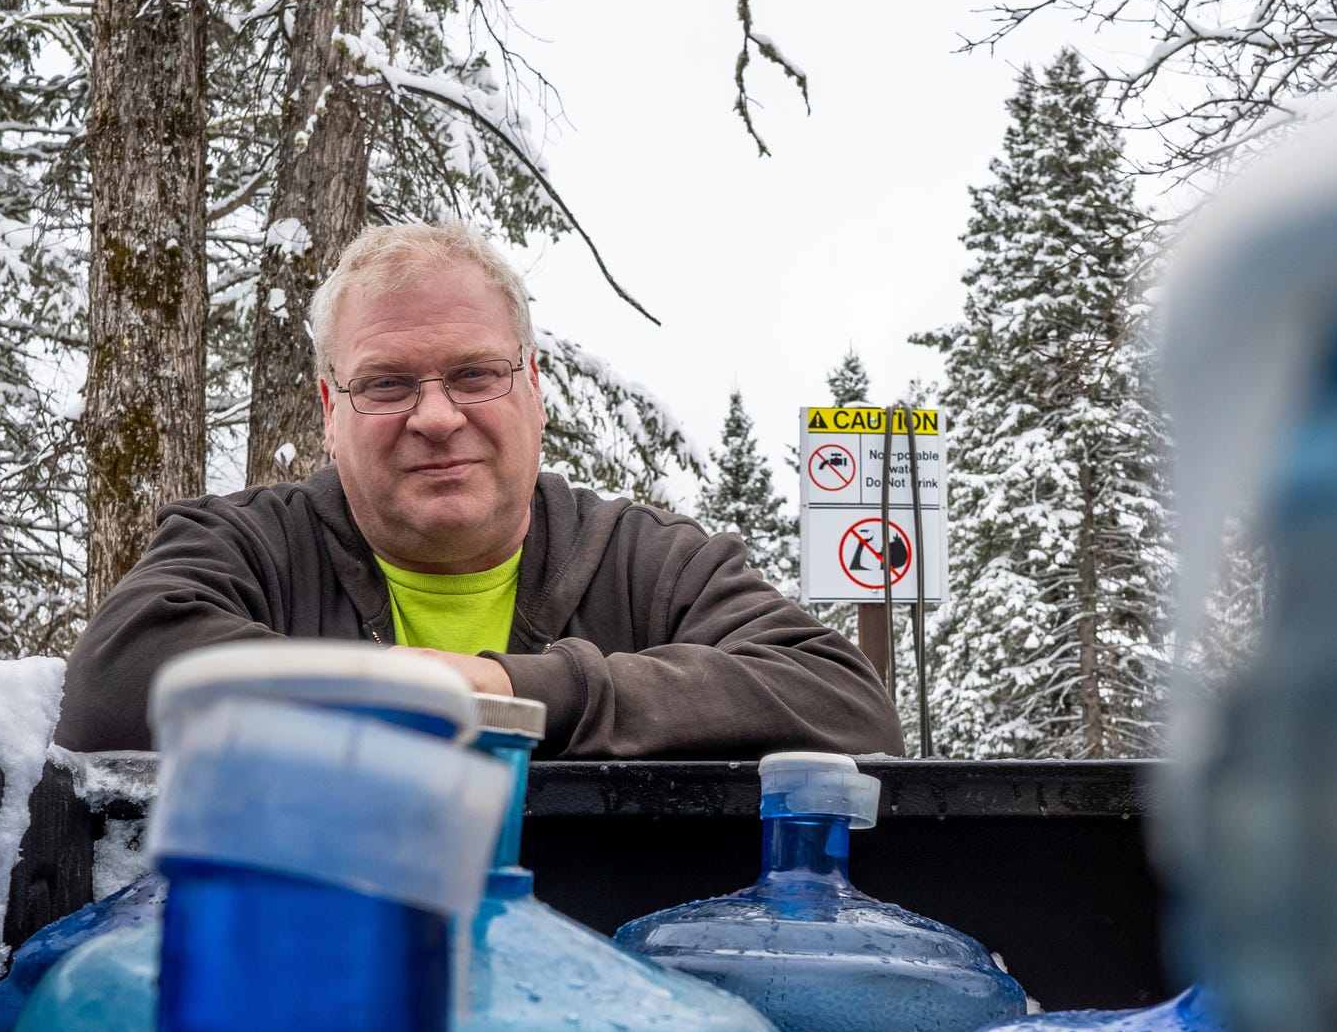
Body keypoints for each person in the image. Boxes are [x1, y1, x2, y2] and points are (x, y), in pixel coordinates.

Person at [58, 223, 902, 757]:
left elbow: (845, 705)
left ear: (533, 388)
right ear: (329, 407)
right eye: (387, 384)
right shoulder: (247, 547)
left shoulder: (652, 565)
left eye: (475, 374)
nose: (435, 416)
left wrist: (511, 692)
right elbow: (113, 685)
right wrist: (404, 690)